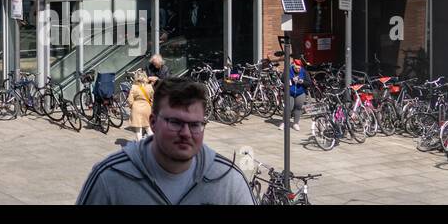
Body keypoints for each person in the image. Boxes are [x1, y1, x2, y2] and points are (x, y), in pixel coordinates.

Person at [76, 78, 254, 205]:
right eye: (175, 122)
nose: (186, 133)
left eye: (195, 124)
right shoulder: (110, 176)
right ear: (153, 123)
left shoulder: (228, 179)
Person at [283, 58, 310, 132]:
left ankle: (296, 123)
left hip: (300, 92)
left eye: (299, 68)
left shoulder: (304, 71)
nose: (298, 70)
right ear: (293, 66)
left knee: (298, 108)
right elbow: (283, 79)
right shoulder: (288, 70)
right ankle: (285, 122)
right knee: (289, 107)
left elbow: (309, 83)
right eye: (296, 68)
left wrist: (302, 82)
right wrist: (291, 80)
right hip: (289, 92)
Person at [128, 70, 154, 141]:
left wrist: (131, 106)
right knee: (148, 128)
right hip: (147, 108)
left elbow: (130, 100)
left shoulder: (134, 87)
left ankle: (140, 146)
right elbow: (152, 98)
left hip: (136, 108)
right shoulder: (149, 87)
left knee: (138, 130)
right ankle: (154, 143)